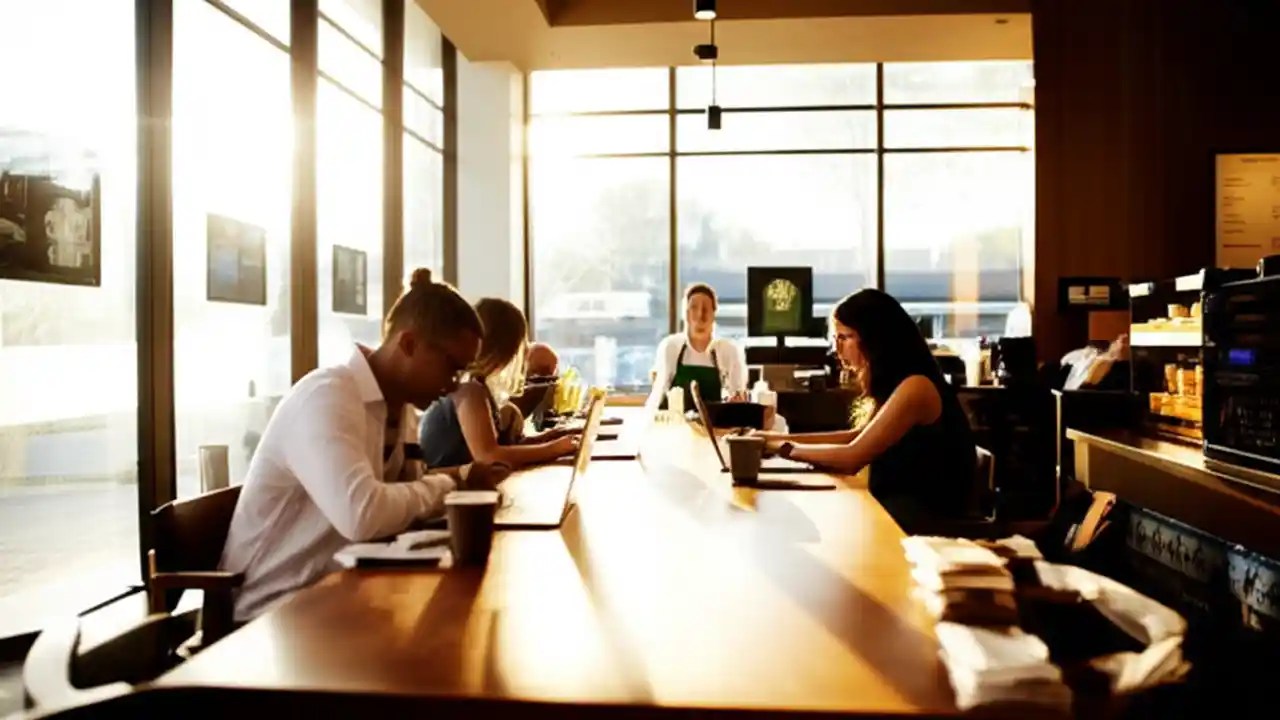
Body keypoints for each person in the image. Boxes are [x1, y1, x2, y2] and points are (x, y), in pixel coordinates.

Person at [219, 270, 509, 621]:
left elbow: (406, 498)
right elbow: (363, 515)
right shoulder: (327, 396)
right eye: (452, 367)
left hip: (344, 591)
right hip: (271, 612)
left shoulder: (400, 408)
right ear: (408, 344)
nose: (453, 385)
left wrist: (451, 485)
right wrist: (450, 484)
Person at [755, 288, 976, 535]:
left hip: (920, 523)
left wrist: (781, 448)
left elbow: (852, 457)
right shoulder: (900, 383)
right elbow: (856, 437)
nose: (837, 350)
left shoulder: (917, 388)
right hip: (897, 510)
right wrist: (769, 439)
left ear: (875, 339)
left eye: (844, 337)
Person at [419, 298, 578, 470]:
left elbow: (506, 447)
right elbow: (489, 456)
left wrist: (551, 437)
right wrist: (553, 449)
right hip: (449, 492)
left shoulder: (477, 386)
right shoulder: (468, 390)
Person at [646, 282, 748, 412]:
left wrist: (737, 401)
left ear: (714, 314)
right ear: (686, 314)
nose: (700, 315)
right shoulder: (670, 347)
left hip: (716, 428)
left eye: (706, 308)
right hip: (677, 427)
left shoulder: (729, 350)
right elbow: (658, 395)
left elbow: (739, 396)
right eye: (694, 308)